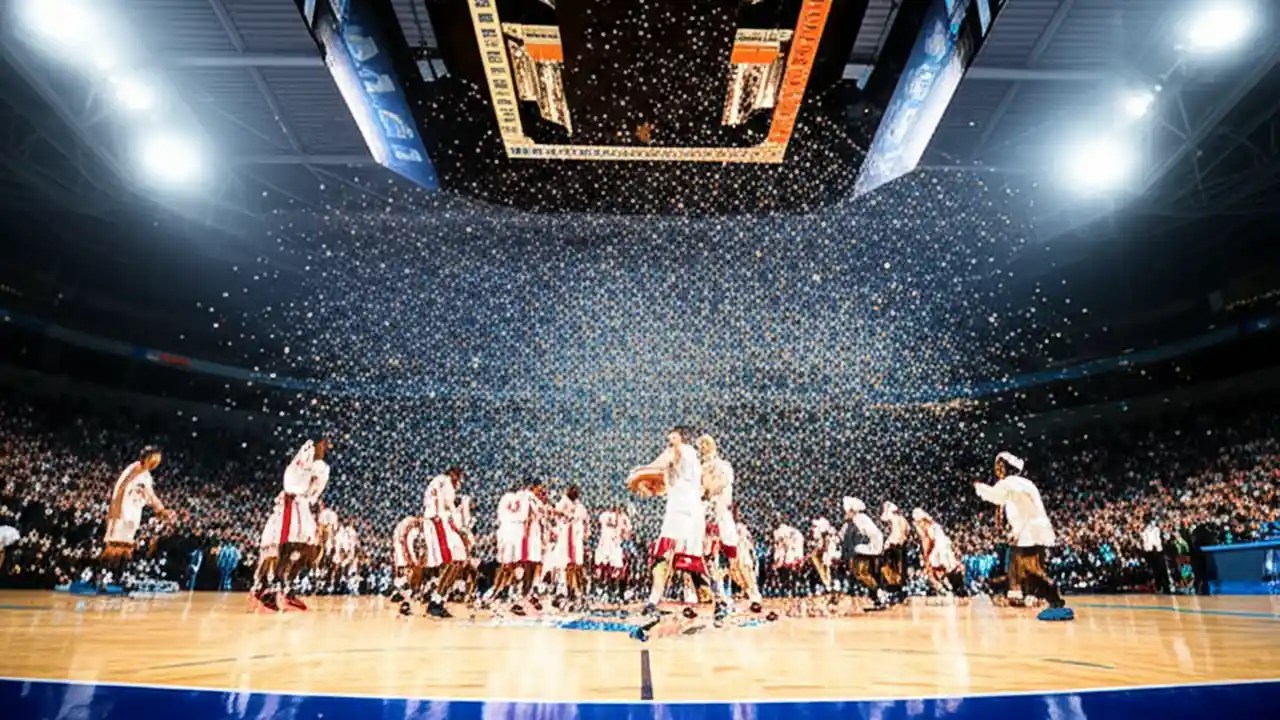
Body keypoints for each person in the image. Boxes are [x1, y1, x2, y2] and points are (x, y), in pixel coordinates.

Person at [632, 427, 722, 620]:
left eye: (672, 435)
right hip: (693, 514)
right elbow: (669, 484)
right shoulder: (694, 459)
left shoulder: (678, 450)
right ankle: (720, 601)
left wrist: (638, 476)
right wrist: (650, 487)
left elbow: (655, 467)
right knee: (692, 563)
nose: (667, 437)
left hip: (680, 514)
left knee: (662, 558)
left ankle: (652, 602)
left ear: (679, 437)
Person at [973, 451, 1073, 620]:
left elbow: (996, 497)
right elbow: (1019, 509)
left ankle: (1053, 598)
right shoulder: (1024, 482)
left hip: (1030, 531)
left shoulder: (1010, 483)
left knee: (1029, 569)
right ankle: (1047, 597)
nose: (996, 470)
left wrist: (978, 487)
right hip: (1033, 529)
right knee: (1027, 568)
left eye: (998, 465)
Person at [699, 434, 762, 611]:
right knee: (710, 559)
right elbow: (699, 492)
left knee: (737, 557)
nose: (704, 447)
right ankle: (720, 597)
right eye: (701, 445)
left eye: (706, 444)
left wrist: (707, 487)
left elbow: (717, 486)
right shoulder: (699, 469)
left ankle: (753, 594)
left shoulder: (724, 466)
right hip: (705, 516)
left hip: (722, 515)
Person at [99, 446, 175, 591]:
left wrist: (160, 509)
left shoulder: (146, 476)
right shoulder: (134, 470)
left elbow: (151, 495)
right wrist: (116, 511)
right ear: (145, 457)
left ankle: (117, 579)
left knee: (126, 549)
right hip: (121, 513)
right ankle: (101, 577)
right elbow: (120, 489)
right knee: (113, 548)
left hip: (133, 515)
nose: (156, 463)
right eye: (154, 459)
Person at [422, 467, 467, 617]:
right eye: (458, 477)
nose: (459, 480)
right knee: (452, 560)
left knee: (458, 561)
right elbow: (441, 502)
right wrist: (436, 517)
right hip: (439, 521)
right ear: (452, 474)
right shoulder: (444, 481)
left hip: (443, 523)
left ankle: (439, 599)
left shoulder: (441, 484)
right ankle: (435, 601)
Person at [839, 497, 887, 611]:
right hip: (867, 547)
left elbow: (862, 536)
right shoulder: (857, 519)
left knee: (862, 573)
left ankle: (879, 595)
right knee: (862, 573)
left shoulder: (859, 519)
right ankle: (877, 596)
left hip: (871, 546)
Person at [911, 508, 967, 599]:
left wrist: (927, 556)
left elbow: (928, 541)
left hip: (937, 548)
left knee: (932, 570)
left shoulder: (925, 526)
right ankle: (948, 588)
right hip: (943, 548)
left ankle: (943, 589)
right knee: (941, 569)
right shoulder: (934, 525)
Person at [552, 485, 589, 604]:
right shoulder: (563, 502)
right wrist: (563, 516)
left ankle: (575, 591)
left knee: (576, 566)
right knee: (565, 565)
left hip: (576, 538)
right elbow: (556, 512)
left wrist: (585, 534)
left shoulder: (580, 507)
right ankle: (563, 591)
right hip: (566, 536)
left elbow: (586, 521)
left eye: (576, 491)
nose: (575, 493)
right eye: (572, 490)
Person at [593, 503, 632, 602]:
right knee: (609, 570)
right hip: (610, 546)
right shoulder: (620, 517)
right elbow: (627, 534)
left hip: (610, 546)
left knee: (610, 570)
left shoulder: (606, 515)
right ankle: (608, 592)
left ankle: (611, 592)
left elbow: (627, 534)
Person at [390, 514, 423, 615]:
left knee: (402, 575)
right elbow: (408, 543)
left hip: (400, 551)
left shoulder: (403, 526)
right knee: (407, 576)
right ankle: (405, 603)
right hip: (404, 553)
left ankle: (399, 594)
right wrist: (413, 558)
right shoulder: (412, 530)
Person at [880, 502, 909, 603]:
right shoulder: (903, 520)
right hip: (901, 547)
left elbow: (895, 535)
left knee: (891, 569)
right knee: (899, 570)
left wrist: (888, 543)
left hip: (894, 547)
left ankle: (893, 592)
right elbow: (906, 533)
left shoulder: (894, 520)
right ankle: (898, 592)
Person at [1141, 515, 1169, 593]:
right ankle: (1158, 587)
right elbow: (1145, 543)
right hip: (1150, 552)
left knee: (1162, 569)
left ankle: (1166, 586)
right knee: (1156, 570)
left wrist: (1158, 547)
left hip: (1158, 551)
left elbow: (1161, 539)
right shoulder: (1145, 531)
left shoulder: (1157, 529)